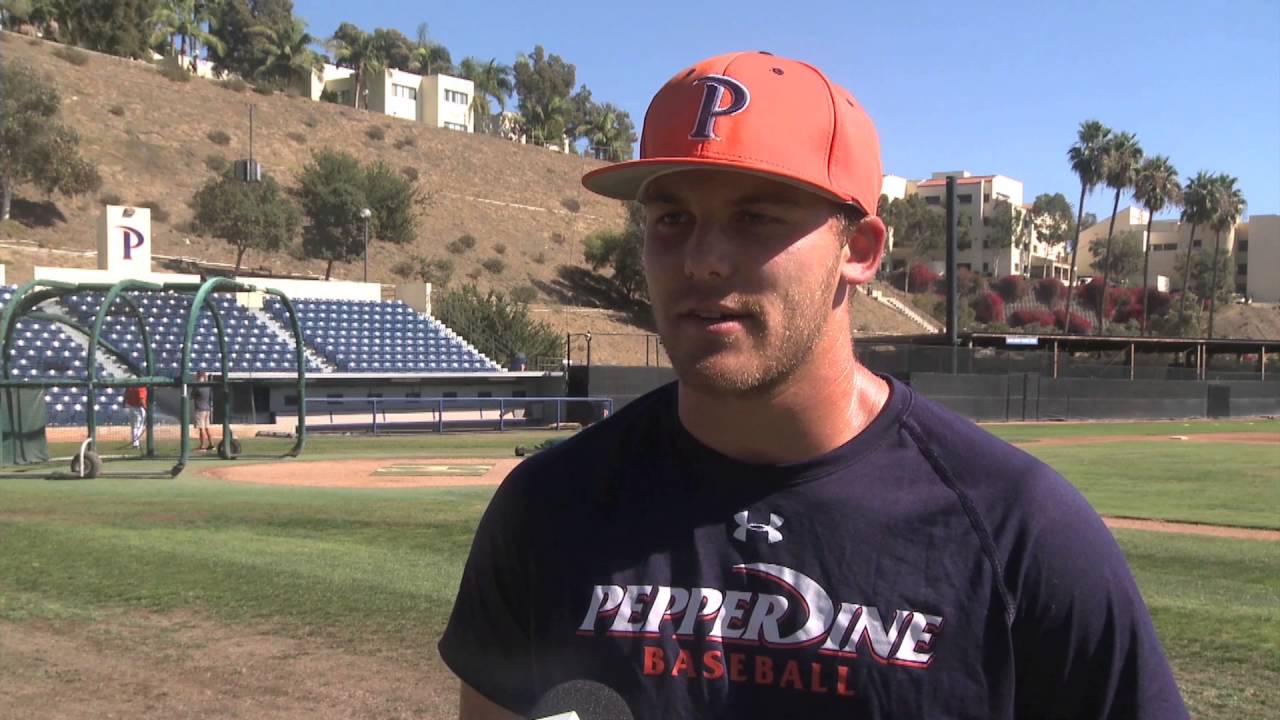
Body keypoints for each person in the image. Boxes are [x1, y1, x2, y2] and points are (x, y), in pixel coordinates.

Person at [439, 52, 1188, 719]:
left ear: (858, 249)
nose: (701, 258)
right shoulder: (546, 509)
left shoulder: (1020, 532)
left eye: (755, 217)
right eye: (671, 218)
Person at [193, 371, 214, 452]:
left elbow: (192, 395)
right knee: (207, 428)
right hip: (207, 408)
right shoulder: (207, 386)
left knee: (201, 428)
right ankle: (211, 444)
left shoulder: (197, 386)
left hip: (200, 409)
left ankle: (202, 446)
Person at [123, 384, 147, 449]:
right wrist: (146, 409)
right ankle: (136, 443)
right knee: (139, 426)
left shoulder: (130, 386)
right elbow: (141, 400)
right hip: (139, 408)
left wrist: (124, 404)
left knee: (134, 427)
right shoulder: (141, 387)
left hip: (131, 407)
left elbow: (125, 396)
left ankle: (135, 443)